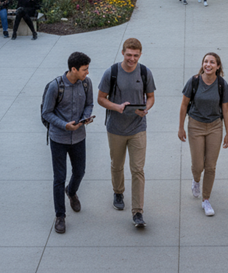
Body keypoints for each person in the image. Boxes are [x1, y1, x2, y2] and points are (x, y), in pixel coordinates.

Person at [97, 38, 156, 229]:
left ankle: (138, 211)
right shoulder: (112, 73)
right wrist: (117, 107)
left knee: (138, 170)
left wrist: (146, 109)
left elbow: (151, 97)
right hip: (116, 128)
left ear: (140, 55)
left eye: (135, 55)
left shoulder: (145, 72)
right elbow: (100, 98)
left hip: (138, 127)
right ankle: (118, 191)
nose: (132, 59)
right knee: (117, 164)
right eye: (129, 55)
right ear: (122, 53)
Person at [42, 51, 94, 234]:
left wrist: (86, 117)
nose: (87, 72)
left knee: (80, 171)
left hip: (79, 136)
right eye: (84, 69)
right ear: (73, 69)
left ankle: (71, 192)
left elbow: (89, 104)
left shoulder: (86, 83)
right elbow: (46, 113)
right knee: (59, 177)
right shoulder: (55, 87)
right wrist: (64, 125)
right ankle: (60, 216)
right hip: (59, 138)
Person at [178, 52, 228, 216]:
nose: (208, 65)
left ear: (218, 66)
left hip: (215, 126)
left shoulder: (222, 84)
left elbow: (226, 110)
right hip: (195, 126)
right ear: (202, 64)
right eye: (205, 62)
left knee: (210, 166)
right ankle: (196, 180)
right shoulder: (194, 81)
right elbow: (183, 105)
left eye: (212, 62)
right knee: (198, 165)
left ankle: (206, 200)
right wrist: (181, 127)